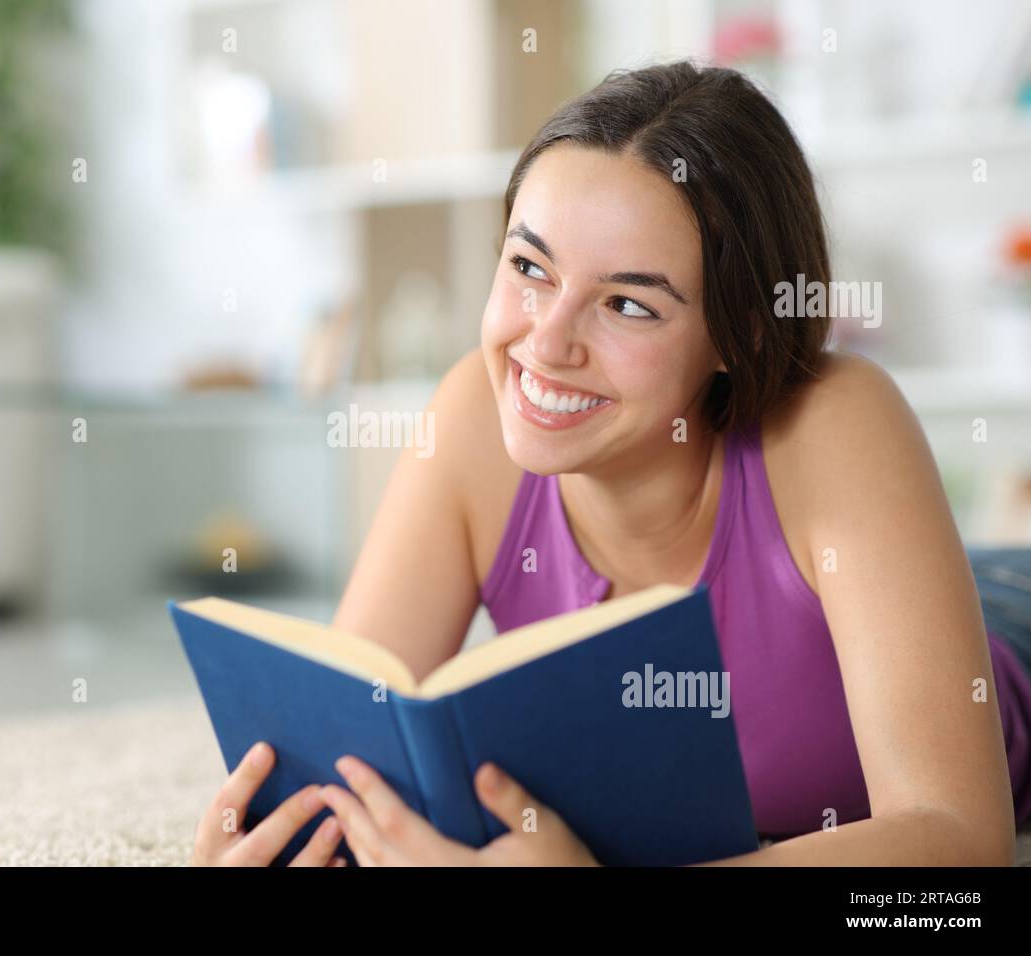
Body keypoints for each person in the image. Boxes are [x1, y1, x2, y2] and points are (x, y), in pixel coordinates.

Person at [190, 60, 1031, 866]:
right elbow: (348, 752)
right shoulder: (472, 421)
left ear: (738, 334)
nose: (546, 344)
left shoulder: (836, 419)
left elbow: (959, 849)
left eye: (628, 303)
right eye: (528, 267)